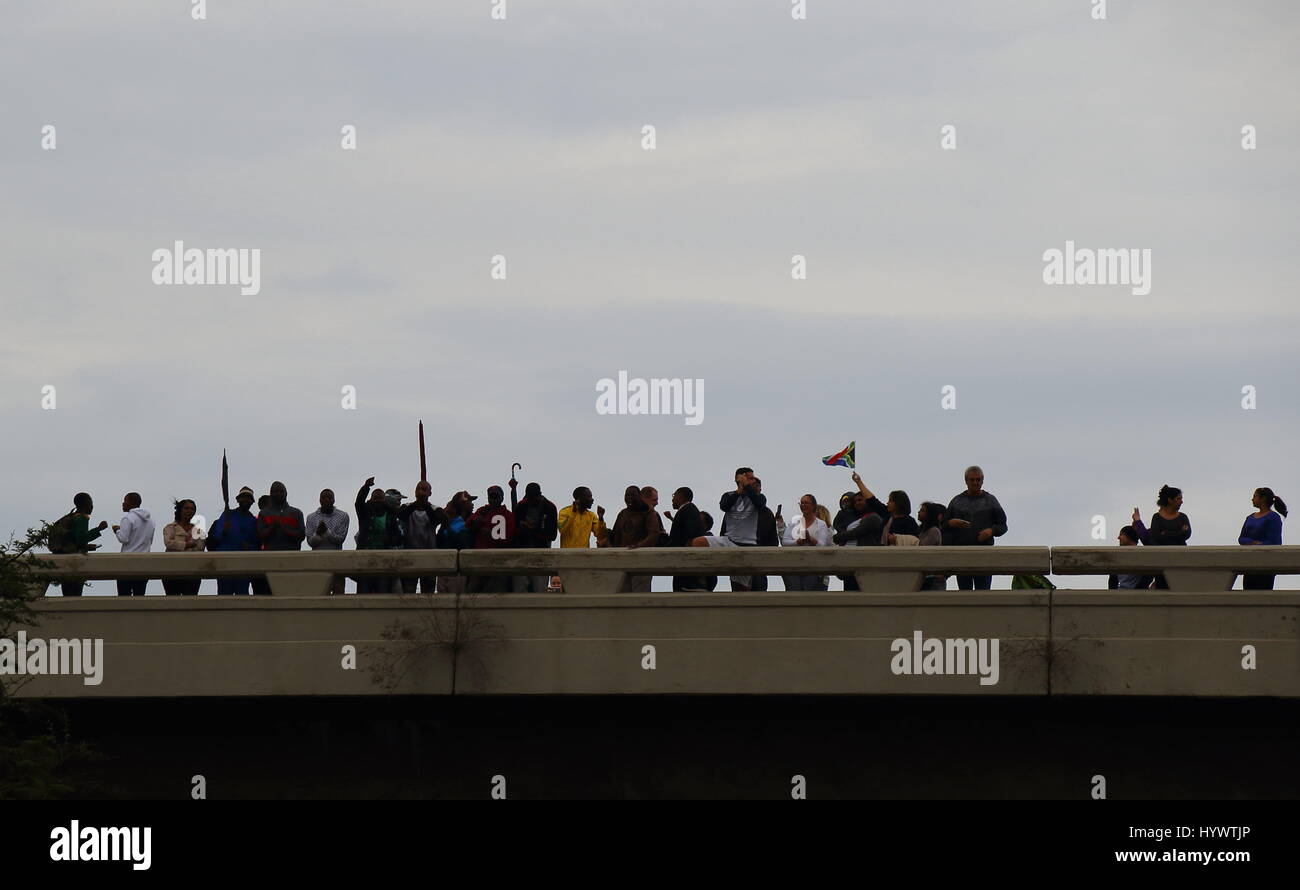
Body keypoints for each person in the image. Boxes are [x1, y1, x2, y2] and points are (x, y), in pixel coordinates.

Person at [690, 468, 767, 592]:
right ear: (739, 478)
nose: (753, 480)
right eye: (750, 478)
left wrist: (746, 486)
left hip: (747, 546)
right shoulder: (729, 495)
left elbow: (760, 504)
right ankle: (701, 582)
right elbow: (724, 506)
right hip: (728, 541)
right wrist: (738, 491)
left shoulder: (758, 496)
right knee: (698, 542)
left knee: (741, 589)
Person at [944, 466, 1008, 591]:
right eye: (972, 480)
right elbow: (943, 525)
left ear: (982, 481)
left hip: (984, 555)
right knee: (964, 594)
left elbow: (1003, 526)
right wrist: (951, 523)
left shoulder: (991, 501)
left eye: (978, 480)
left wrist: (991, 531)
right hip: (962, 555)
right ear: (966, 481)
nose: (975, 482)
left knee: (983, 595)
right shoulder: (956, 501)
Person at [48, 493, 108, 597]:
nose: (92, 507)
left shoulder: (71, 517)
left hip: (64, 559)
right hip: (75, 562)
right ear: (87, 504)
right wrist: (98, 529)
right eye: (91, 503)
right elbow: (81, 539)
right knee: (75, 593)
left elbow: (73, 538)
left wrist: (87, 546)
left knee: (67, 593)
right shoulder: (82, 519)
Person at [1131, 485, 1190, 590]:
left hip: (1181, 559)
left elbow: (1186, 534)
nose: (1181, 501)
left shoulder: (1183, 517)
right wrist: (1178, 533)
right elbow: (1155, 537)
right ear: (1170, 500)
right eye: (1178, 499)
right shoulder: (1157, 518)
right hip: (1162, 560)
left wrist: (1166, 533)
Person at [608, 485, 663, 592]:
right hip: (623, 561)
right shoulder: (623, 514)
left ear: (640, 497)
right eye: (627, 495)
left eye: (632, 495)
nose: (629, 497)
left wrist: (638, 546)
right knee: (623, 594)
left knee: (640, 594)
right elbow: (615, 536)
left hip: (642, 561)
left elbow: (654, 534)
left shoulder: (649, 512)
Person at [207, 487, 259, 595]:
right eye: (243, 497)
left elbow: (257, 545)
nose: (245, 500)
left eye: (248, 498)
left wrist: (249, 547)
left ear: (252, 502)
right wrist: (224, 531)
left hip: (244, 563)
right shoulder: (227, 515)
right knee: (224, 594)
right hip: (225, 561)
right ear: (238, 499)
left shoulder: (254, 521)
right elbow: (215, 537)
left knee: (242, 594)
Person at [354, 478, 403, 593]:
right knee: (363, 593)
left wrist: (389, 539)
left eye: (380, 498)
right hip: (364, 560)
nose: (377, 500)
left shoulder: (391, 515)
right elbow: (359, 502)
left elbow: (398, 538)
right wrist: (366, 487)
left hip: (383, 561)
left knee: (382, 592)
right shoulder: (364, 513)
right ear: (371, 499)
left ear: (384, 500)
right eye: (375, 498)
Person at [509, 480, 558, 593]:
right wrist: (522, 528)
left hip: (541, 554)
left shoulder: (549, 507)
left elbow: (552, 535)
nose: (531, 501)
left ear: (539, 495)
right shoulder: (521, 506)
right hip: (521, 554)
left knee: (540, 590)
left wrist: (532, 530)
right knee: (520, 589)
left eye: (533, 498)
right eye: (529, 498)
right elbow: (514, 529)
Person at [397, 481, 446, 595]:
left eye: (424, 490)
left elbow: (438, 520)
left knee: (428, 594)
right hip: (409, 556)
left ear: (430, 493)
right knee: (408, 592)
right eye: (418, 489)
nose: (421, 492)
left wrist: (426, 506)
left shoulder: (436, 509)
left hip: (429, 556)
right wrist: (416, 504)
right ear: (414, 492)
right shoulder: (407, 507)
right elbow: (401, 516)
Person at [777, 494, 833, 591]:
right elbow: (785, 541)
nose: (803, 505)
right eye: (801, 503)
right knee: (794, 593)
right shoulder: (795, 523)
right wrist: (798, 542)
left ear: (813, 505)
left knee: (809, 594)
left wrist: (811, 540)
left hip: (813, 565)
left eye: (806, 503)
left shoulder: (821, 524)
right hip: (795, 564)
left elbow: (823, 545)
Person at [1238, 487, 1287, 590]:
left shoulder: (1273, 518)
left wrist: (1258, 545)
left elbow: (1275, 542)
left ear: (1263, 498)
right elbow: (1241, 538)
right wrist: (1252, 542)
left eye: (1255, 496)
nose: (1252, 499)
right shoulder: (1250, 517)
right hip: (1249, 562)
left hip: (1266, 562)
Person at [470, 485, 516, 593]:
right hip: (479, 560)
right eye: (492, 497)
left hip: (499, 561)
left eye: (496, 497)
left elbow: (509, 538)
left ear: (502, 498)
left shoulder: (508, 515)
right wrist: (475, 523)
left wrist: (491, 535)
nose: (494, 500)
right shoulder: (482, 511)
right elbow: (468, 525)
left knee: (498, 593)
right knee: (474, 592)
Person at [306, 489, 350, 595]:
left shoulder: (343, 516)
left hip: (337, 562)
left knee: (338, 593)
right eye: (323, 498)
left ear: (334, 500)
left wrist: (326, 531)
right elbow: (310, 542)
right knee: (318, 594)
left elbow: (340, 539)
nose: (326, 500)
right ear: (319, 500)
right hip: (317, 563)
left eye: (329, 497)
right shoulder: (311, 517)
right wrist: (318, 534)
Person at [112, 492, 156, 596]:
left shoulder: (128, 518)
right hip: (144, 563)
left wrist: (117, 530)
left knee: (124, 596)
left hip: (126, 563)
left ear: (131, 502)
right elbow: (150, 540)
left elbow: (123, 538)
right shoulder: (151, 520)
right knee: (140, 595)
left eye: (125, 501)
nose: (123, 504)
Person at [664, 487, 706, 591]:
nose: (672, 499)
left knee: (682, 590)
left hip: (685, 561)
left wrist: (686, 554)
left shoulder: (689, 509)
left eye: (674, 496)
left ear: (680, 496)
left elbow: (690, 534)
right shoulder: (687, 510)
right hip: (683, 559)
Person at [436, 491, 475, 594]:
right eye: (468, 501)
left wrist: (446, 527)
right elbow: (439, 543)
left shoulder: (467, 524)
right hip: (444, 567)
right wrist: (443, 527)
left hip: (458, 569)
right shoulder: (450, 523)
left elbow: (461, 544)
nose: (472, 504)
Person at [161, 498, 203, 595]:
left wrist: (179, 545)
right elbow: (168, 543)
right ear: (180, 510)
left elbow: (200, 548)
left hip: (192, 571)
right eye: (186, 508)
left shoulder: (198, 530)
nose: (189, 511)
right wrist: (187, 545)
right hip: (172, 570)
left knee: (191, 602)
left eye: (192, 509)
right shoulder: (170, 527)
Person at [750, 478, 779, 591]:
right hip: (740, 557)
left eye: (755, 485)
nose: (753, 488)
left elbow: (773, 541)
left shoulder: (767, 513)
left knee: (758, 591)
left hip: (759, 560)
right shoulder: (738, 509)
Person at [1107, 525, 1153, 590]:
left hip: (1138, 596)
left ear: (1129, 536)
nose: (1118, 537)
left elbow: (1149, 576)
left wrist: (1138, 592)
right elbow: (1112, 580)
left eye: (1121, 534)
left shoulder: (1142, 554)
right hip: (1120, 595)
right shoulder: (1118, 556)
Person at [917, 501, 947, 590]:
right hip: (924, 575)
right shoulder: (920, 530)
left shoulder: (934, 531)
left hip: (932, 578)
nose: (919, 512)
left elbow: (921, 547)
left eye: (922, 511)